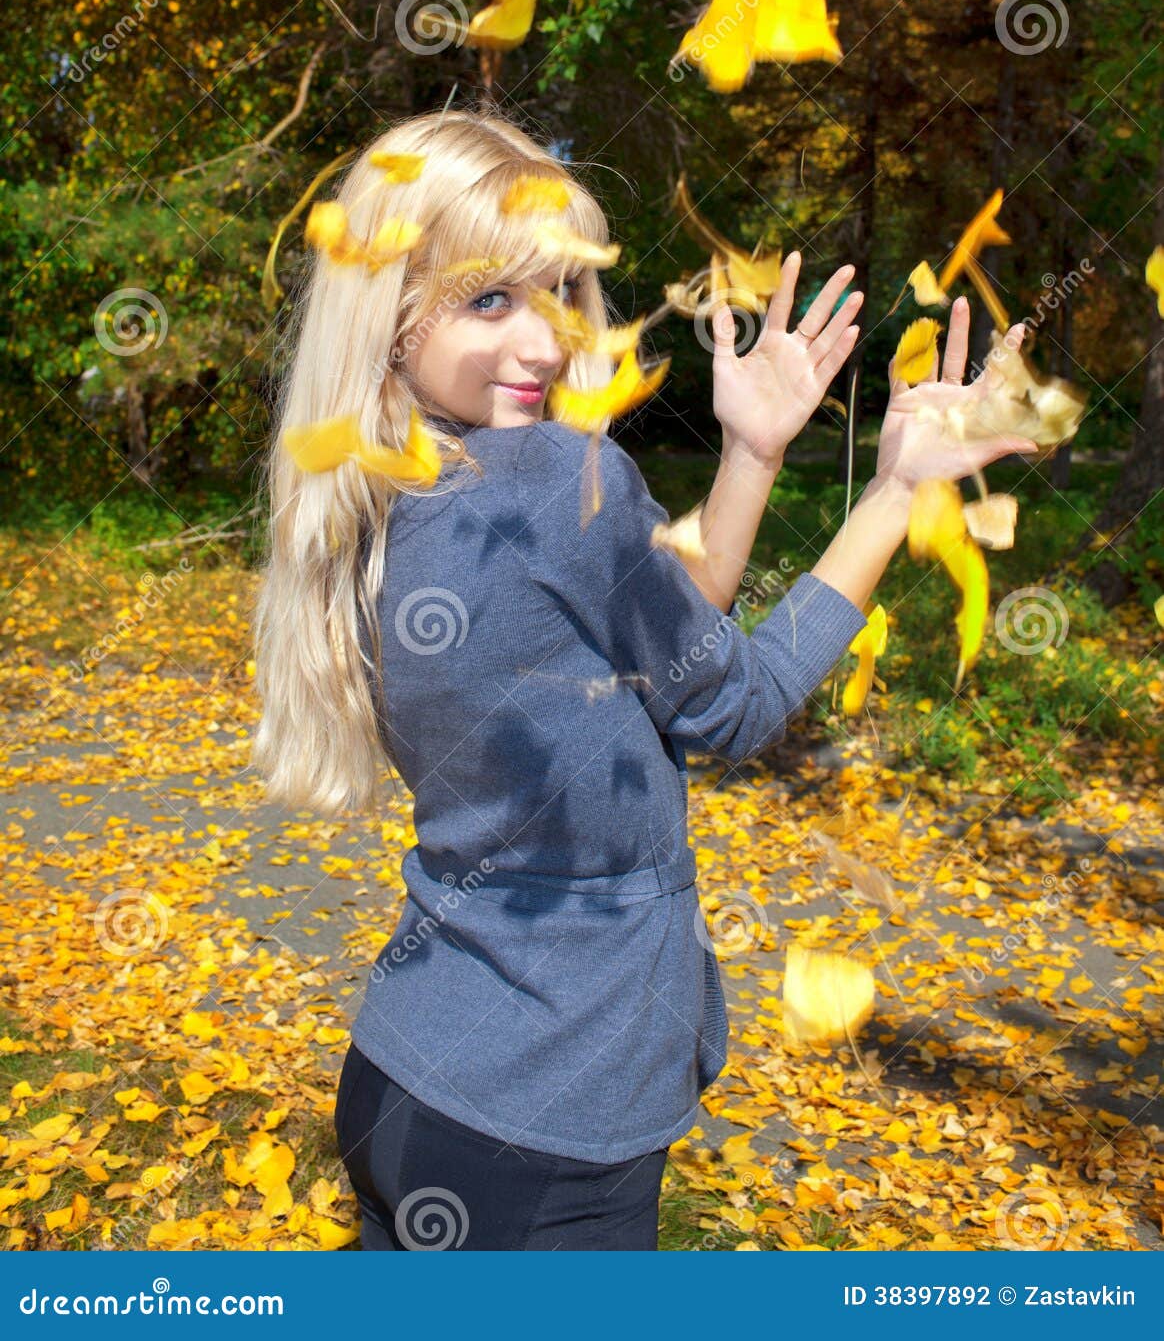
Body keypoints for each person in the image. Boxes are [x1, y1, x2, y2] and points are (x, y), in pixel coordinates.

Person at [251, 106, 1040, 1251]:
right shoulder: (548, 478)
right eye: (487, 298)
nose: (544, 343)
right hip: (548, 1126)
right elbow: (732, 707)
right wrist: (893, 495)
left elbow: (651, 642)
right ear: (391, 318)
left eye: (561, 293)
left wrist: (755, 451)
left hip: (408, 1080)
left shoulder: (379, 494)